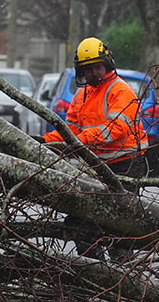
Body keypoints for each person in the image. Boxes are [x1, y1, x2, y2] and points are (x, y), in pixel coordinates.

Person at [42, 37, 147, 257]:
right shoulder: (82, 95)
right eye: (88, 70)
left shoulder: (121, 91)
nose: (93, 74)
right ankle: (95, 275)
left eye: (97, 68)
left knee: (119, 226)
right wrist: (46, 141)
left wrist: (81, 141)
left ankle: (123, 275)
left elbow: (117, 129)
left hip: (125, 165)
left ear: (106, 65)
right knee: (85, 228)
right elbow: (69, 131)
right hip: (95, 166)